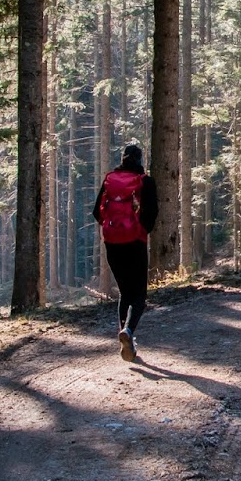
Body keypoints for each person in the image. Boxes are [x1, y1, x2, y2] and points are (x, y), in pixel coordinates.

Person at [93, 144, 158, 362]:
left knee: (124, 292)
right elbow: (152, 212)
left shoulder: (110, 180)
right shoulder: (145, 181)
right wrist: (142, 229)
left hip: (112, 241)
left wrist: (111, 227)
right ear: (140, 160)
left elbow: (96, 212)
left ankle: (125, 335)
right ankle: (129, 331)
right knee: (139, 295)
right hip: (135, 241)